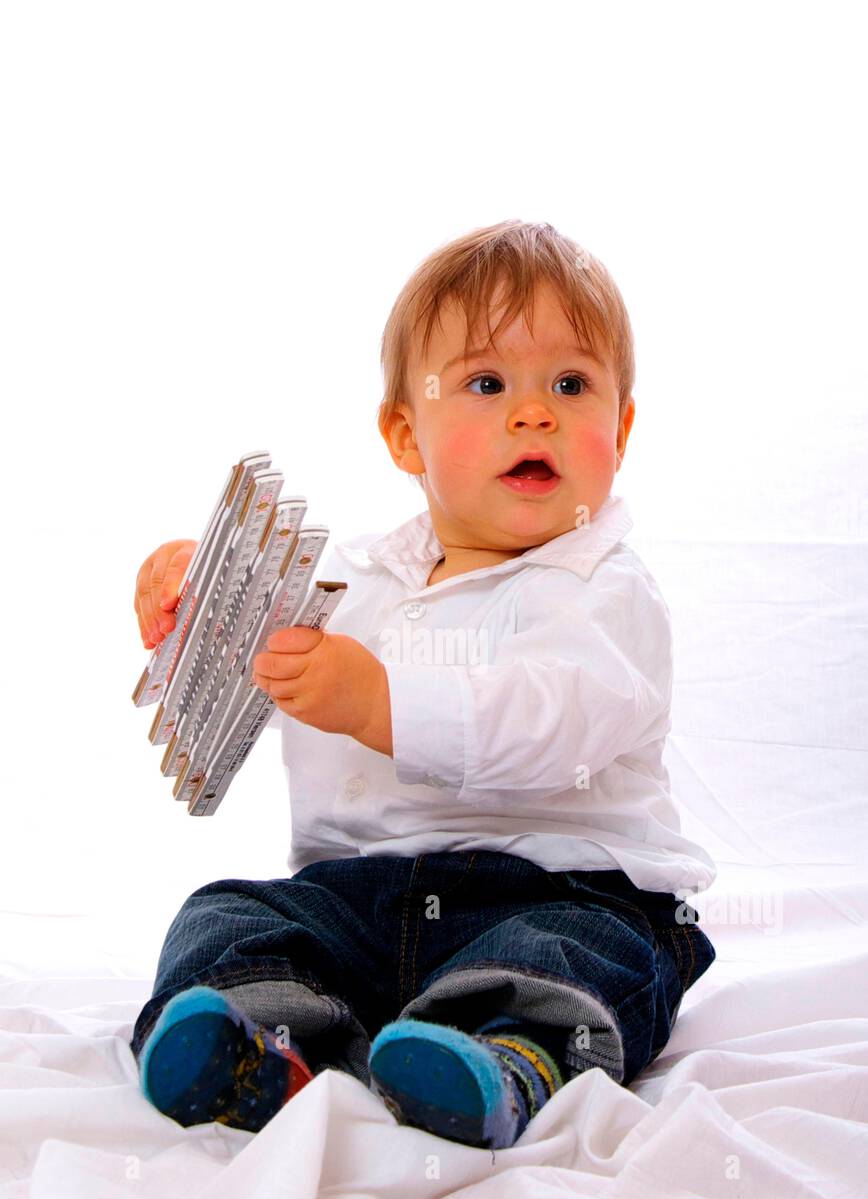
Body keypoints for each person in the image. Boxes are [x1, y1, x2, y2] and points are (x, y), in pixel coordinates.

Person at [130, 219, 717, 1150]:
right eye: (487, 384)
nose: (535, 413)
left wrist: (381, 703)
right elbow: (265, 660)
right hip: (360, 897)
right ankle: (264, 1048)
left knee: (577, 956)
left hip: (563, 887)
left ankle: (506, 1059)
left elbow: (551, 722)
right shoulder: (355, 582)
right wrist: (193, 598)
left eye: (572, 385)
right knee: (228, 914)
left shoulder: (603, 588)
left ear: (623, 427)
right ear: (406, 434)